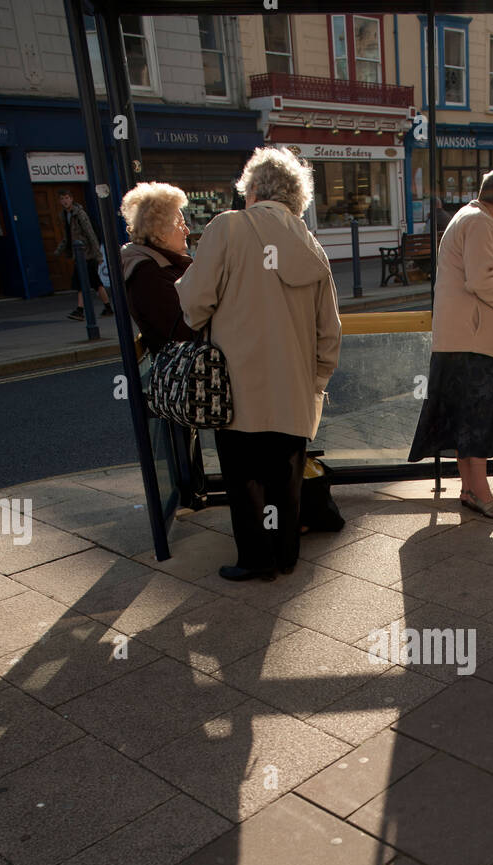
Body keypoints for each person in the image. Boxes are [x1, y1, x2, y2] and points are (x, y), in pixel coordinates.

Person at [176, 145, 342, 580]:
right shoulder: (312, 247)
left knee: (244, 479)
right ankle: (285, 555)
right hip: (293, 391)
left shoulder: (228, 228)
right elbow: (330, 332)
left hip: (238, 386)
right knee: (285, 481)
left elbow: (193, 305)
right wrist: (316, 382)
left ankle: (256, 558)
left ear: (251, 190)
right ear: (296, 198)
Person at [408, 169, 493, 522]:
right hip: (475, 345)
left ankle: (468, 490)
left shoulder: (467, 217)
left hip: (458, 341)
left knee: (465, 422)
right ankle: (482, 494)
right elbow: (481, 279)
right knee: (478, 422)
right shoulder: (482, 223)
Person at [119, 181, 197, 354]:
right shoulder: (149, 274)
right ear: (161, 232)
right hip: (187, 368)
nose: (186, 231)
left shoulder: (165, 264)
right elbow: (185, 330)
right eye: (180, 224)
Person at [56, 189, 113, 321]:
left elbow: (90, 233)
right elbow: (67, 237)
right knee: (95, 282)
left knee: (80, 281)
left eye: (67, 198)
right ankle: (108, 307)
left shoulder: (80, 214)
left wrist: (98, 255)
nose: (65, 201)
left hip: (86, 253)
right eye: (62, 199)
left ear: (71, 198)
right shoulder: (64, 215)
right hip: (78, 254)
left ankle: (80, 310)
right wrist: (59, 251)